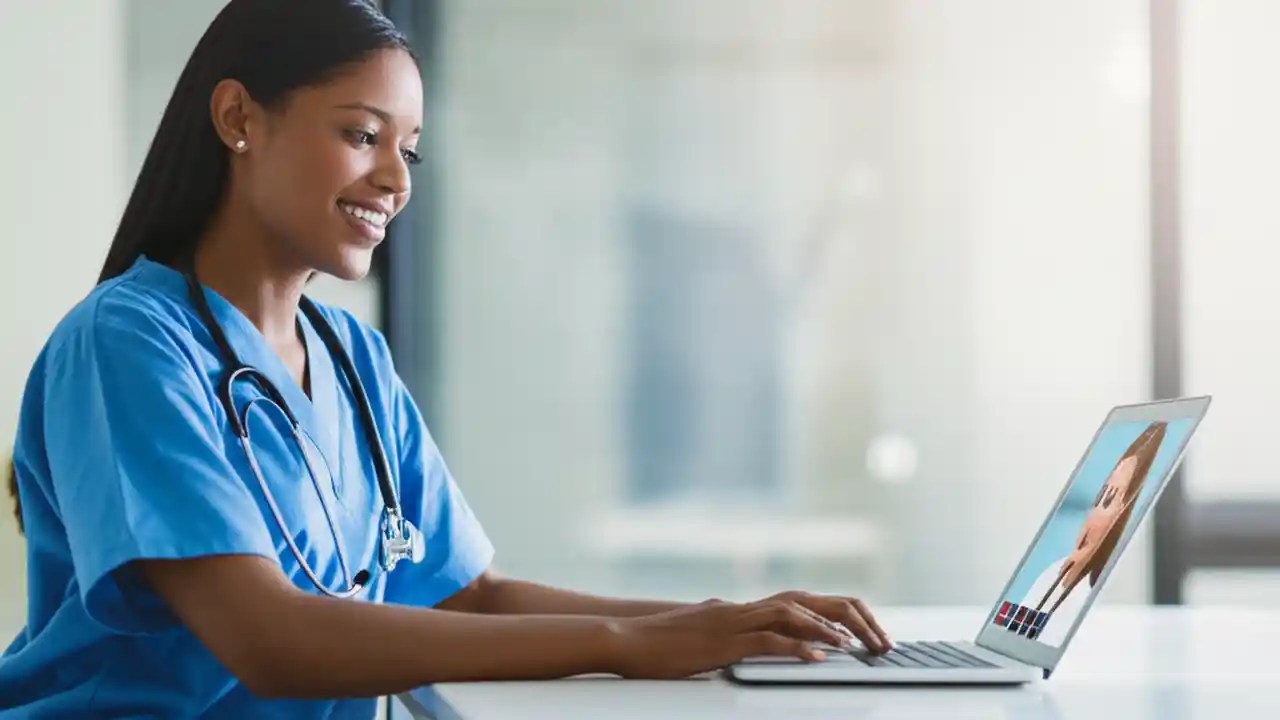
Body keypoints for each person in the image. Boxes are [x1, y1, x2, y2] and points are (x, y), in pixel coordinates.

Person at [0, 2, 890, 717]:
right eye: (362, 134)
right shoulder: (129, 344)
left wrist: (708, 622)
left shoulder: (349, 355)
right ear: (239, 118)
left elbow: (466, 596)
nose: (397, 179)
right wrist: (627, 648)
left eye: (409, 150)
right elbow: (267, 639)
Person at [1012, 421, 1167, 645]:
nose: (1093, 516)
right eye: (1100, 496)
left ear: (1121, 514)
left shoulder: (1098, 597)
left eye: (1110, 500)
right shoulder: (1052, 573)